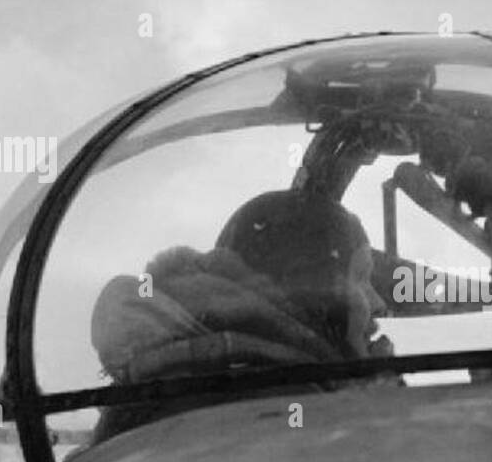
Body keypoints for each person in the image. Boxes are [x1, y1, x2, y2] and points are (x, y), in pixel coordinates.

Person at [89, 190, 390, 443]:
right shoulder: (281, 407)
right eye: (362, 277)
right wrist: (379, 408)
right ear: (314, 286)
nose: (379, 304)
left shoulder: (181, 388)